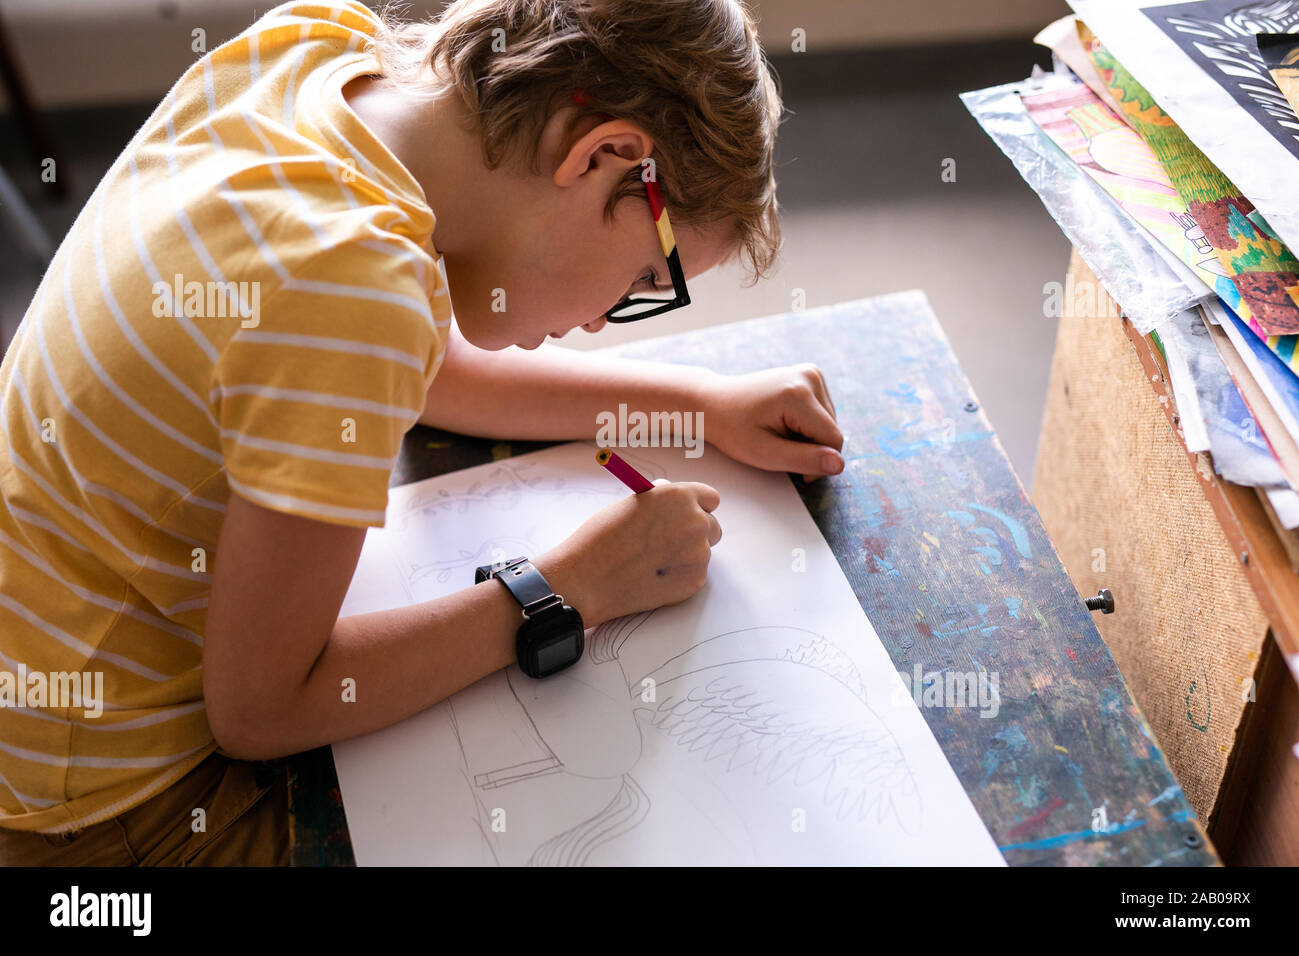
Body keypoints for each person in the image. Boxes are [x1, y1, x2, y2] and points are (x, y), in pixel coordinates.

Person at [0, 0, 843, 865]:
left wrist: (698, 404)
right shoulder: (351, 289)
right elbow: (262, 710)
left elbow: (427, 367)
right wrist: (577, 584)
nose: (606, 320)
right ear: (604, 156)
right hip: (96, 805)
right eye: (642, 277)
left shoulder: (320, 52)